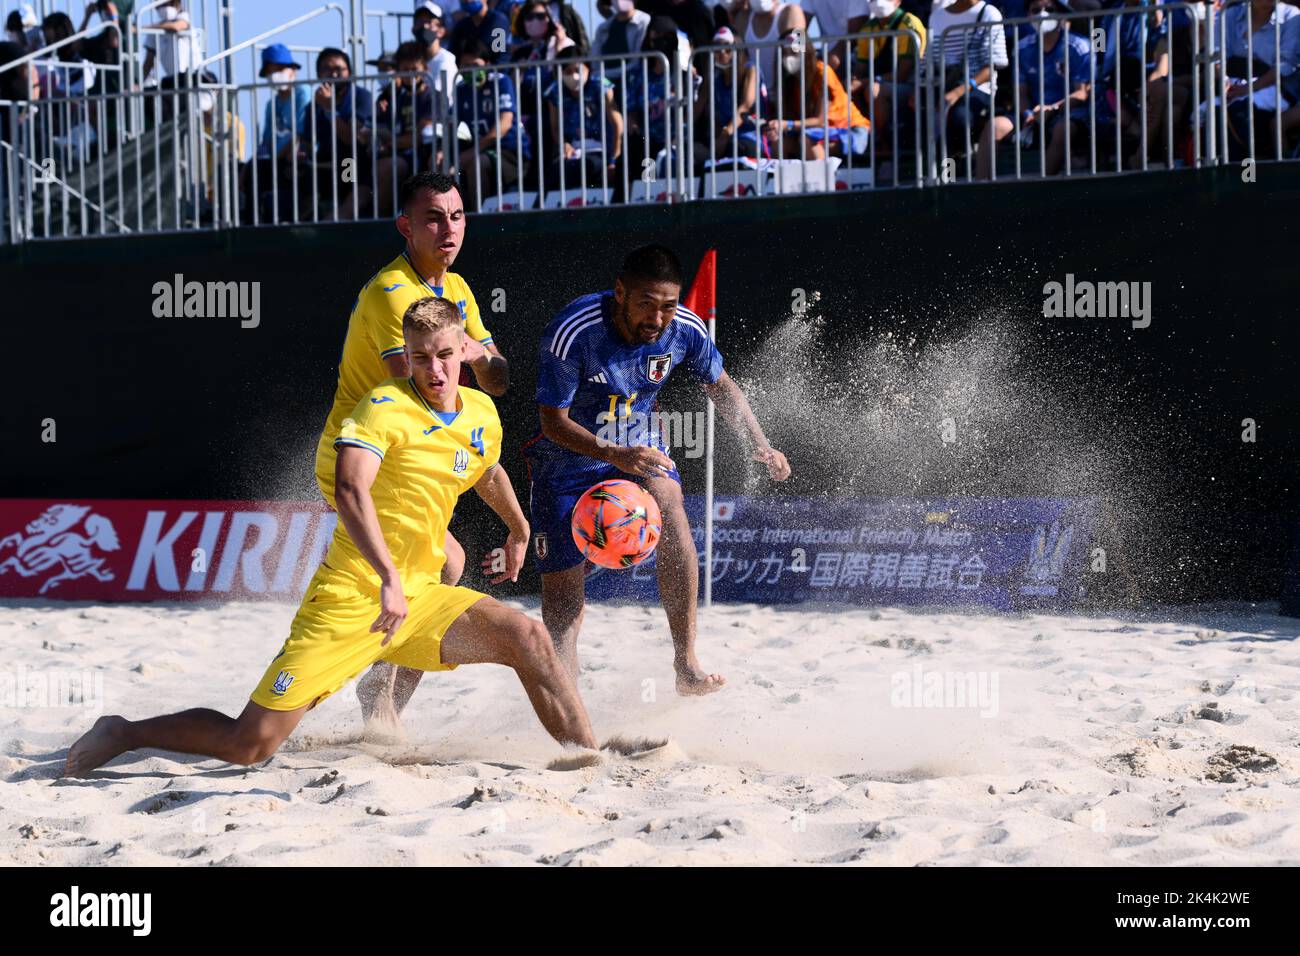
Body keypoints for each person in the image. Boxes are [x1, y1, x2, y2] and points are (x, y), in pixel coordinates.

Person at [65, 297, 596, 777]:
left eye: (443, 355)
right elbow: (348, 488)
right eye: (418, 358)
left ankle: (588, 758)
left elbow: (486, 469)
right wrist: (387, 576)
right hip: (352, 599)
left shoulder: (481, 411)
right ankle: (124, 731)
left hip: (421, 598)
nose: (433, 370)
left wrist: (519, 527)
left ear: (465, 349)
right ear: (405, 357)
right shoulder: (383, 408)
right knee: (250, 744)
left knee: (528, 637)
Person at [523, 244, 791, 694]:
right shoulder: (574, 331)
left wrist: (760, 443)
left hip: (638, 444)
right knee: (564, 599)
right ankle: (567, 700)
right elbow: (553, 422)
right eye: (647, 304)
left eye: (668, 305)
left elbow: (721, 387)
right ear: (621, 293)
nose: (658, 317)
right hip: (566, 457)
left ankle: (685, 664)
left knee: (670, 505)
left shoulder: (683, 328)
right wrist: (612, 454)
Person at [315, 171, 509, 727]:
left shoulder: (459, 289)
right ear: (406, 226)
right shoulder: (390, 292)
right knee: (438, 564)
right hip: (356, 454)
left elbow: (498, 379)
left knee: (448, 562)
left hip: (406, 449)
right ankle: (365, 689)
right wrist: (471, 355)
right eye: (433, 218)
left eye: (457, 215)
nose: (448, 228)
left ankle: (382, 701)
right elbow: (419, 392)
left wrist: (478, 355)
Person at [984, 0, 1093, 176]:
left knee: (1062, 129)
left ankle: (1040, 189)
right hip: (1033, 114)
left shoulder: (1079, 46)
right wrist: (1027, 113)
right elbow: (1021, 92)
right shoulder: (1021, 48)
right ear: (1028, 15)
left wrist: (1053, 108)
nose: (1042, 14)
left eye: (1049, 9)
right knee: (995, 126)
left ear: (1061, 13)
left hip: (1068, 114)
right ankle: (982, 191)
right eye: (1035, 10)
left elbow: (1082, 93)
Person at [926, 0, 1009, 179]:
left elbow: (992, 66)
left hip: (979, 88)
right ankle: (944, 177)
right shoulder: (937, 17)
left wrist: (958, 92)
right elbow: (929, 62)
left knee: (958, 118)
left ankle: (953, 173)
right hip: (944, 86)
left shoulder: (989, 13)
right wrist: (919, 91)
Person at [764, 26, 870, 159]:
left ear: (805, 51)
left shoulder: (821, 71)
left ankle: (819, 179)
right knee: (779, 141)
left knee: (807, 138)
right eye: (785, 53)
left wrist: (787, 124)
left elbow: (820, 120)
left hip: (850, 130)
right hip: (816, 133)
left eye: (794, 52)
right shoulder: (789, 82)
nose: (788, 57)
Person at [455, 39, 532, 206]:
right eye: (466, 67)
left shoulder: (501, 81)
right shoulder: (461, 90)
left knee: (477, 163)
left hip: (510, 151)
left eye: (475, 64)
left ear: (487, 63)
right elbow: (450, 124)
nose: (471, 71)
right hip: (481, 149)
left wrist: (472, 152)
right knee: (440, 163)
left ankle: (479, 220)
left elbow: (504, 124)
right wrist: (441, 151)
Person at [305, 47, 374, 218]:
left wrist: (329, 109)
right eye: (327, 69)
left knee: (346, 161)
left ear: (349, 72)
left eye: (339, 69)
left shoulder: (361, 96)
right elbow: (306, 141)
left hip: (353, 161)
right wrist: (300, 154)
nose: (333, 74)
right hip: (323, 161)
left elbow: (351, 138)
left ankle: (341, 215)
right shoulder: (314, 104)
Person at [245, 43, 311, 218]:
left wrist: (277, 157)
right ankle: (251, 220)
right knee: (247, 169)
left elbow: (300, 133)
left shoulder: (303, 92)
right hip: (275, 161)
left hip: (297, 158)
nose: (275, 75)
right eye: (271, 71)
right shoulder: (271, 105)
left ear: (293, 70)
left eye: (280, 68)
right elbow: (266, 141)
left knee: (260, 172)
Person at [545, 45, 624, 189]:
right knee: (555, 174)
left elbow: (617, 124)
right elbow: (555, 127)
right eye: (568, 72)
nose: (574, 76)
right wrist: (564, 144)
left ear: (588, 68)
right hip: (574, 150)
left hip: (602, 150)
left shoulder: (600, 85)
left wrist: (613, 160)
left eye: (578, 70)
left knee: (587, 168)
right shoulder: (555, 91)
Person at [849, 0, 926, 143]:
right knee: (844, 89)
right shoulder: (868, 29)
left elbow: (902, 74)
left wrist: (863, 82)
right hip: (880, 81)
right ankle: (862, 137)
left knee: (873, 90)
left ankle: (884, 141)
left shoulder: (909, 24)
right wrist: (853, 81)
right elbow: (860, 68)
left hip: (911, 85)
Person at [374, 41, 438, 212]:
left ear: (425, 69)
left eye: (414, 69)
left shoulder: (432, 97)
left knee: (389, 166)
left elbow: (418, 137)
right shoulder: (394, 98)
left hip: (422, 155)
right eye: (405, 70)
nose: (410, 75)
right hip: (398, 153)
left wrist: (390, 143)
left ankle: (383, 220)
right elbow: (380, 130)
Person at [693, 26, 765, 165]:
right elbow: (699, 109)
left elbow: (746, 106)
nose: (722, 52)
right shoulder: (715, 78)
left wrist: (725, 134)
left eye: (727, 47)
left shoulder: (751, 69)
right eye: (717, 48)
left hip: (751, 137)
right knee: (693, 154)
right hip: (726, 138)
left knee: (736, 150)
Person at [731, 0, 807, 95]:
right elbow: (735, 62)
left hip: (785, 97)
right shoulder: (743, 18)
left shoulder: (792, 12)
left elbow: (798, 61)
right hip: (756, 99)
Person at [412, 0, 459, 109]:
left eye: (429, 22)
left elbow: (438, 96)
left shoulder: (446, 60)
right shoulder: (415, 61)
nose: (424, 26)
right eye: (419, 22)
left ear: (441, 30)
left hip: (441, 121)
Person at [801, 0, 868, 72]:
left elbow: (853, 36)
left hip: (852, 59)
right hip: (825, 58)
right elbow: (799, 24)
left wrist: (828, 63)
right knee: (792, 11)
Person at [447, 0, 513, 63]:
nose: (468, 0)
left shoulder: (498, 20)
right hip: (466, 72)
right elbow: (453, 54)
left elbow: (500, 55)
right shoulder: (461, 25)